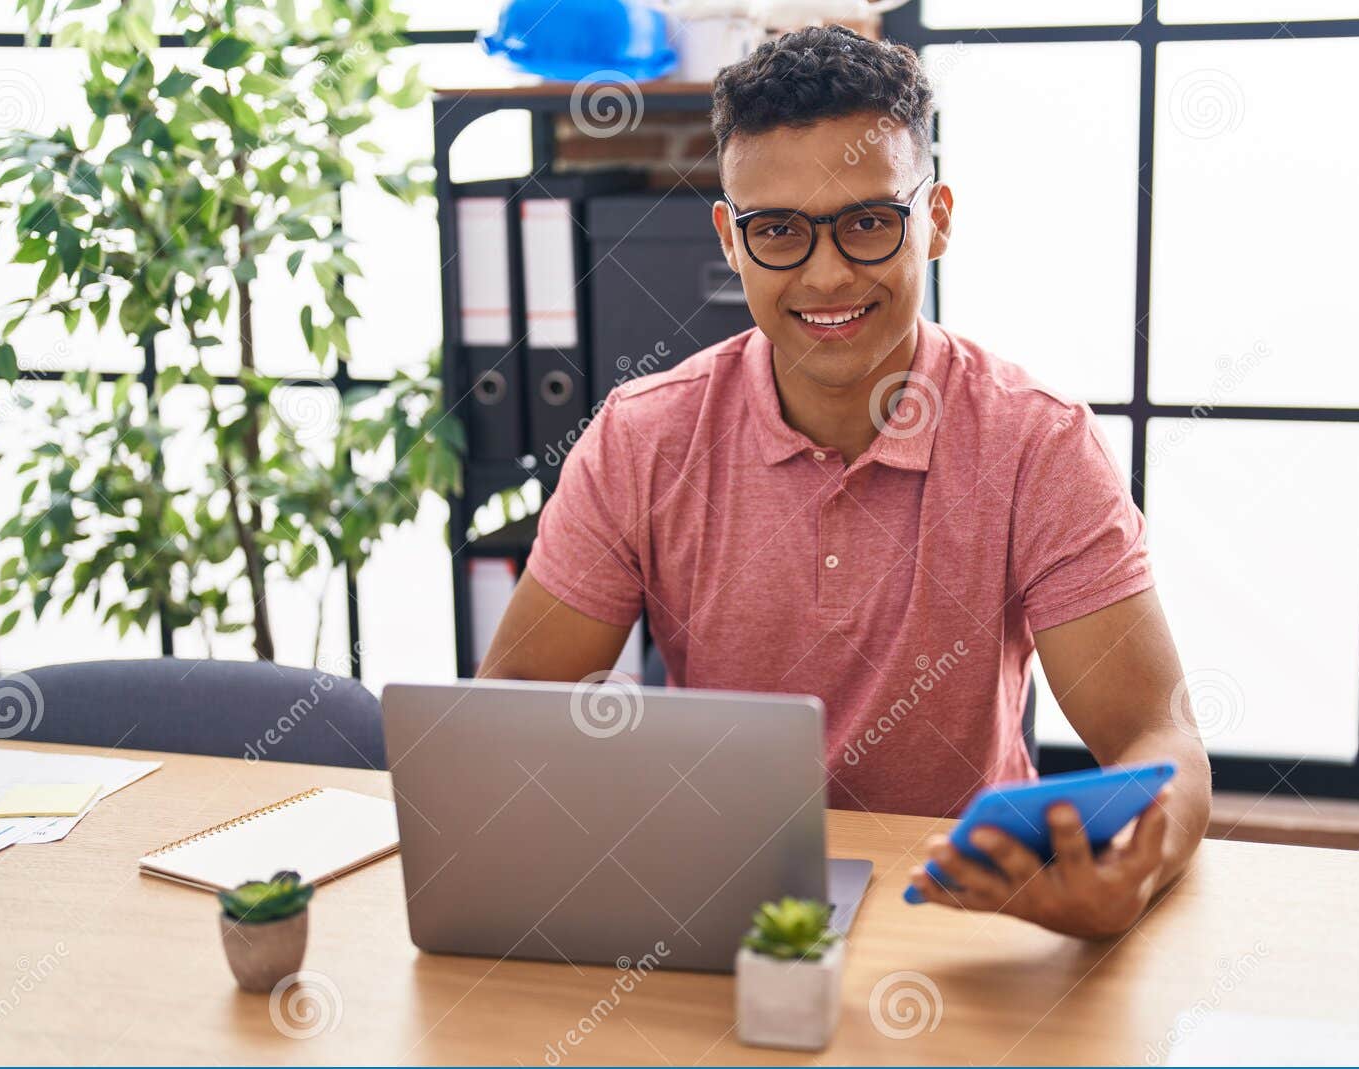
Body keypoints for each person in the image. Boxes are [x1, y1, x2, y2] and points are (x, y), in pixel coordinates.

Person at [480, 25, 1211, 939]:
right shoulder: (642, 438)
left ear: (936, 218)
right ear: (732, 240)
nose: (826, 275)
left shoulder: (1038, 443)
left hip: (972, 915)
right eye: (778, 231)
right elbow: (511, 715)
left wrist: (1132, 870)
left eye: (868, 222)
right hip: (726, 907)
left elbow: (1159, 739)